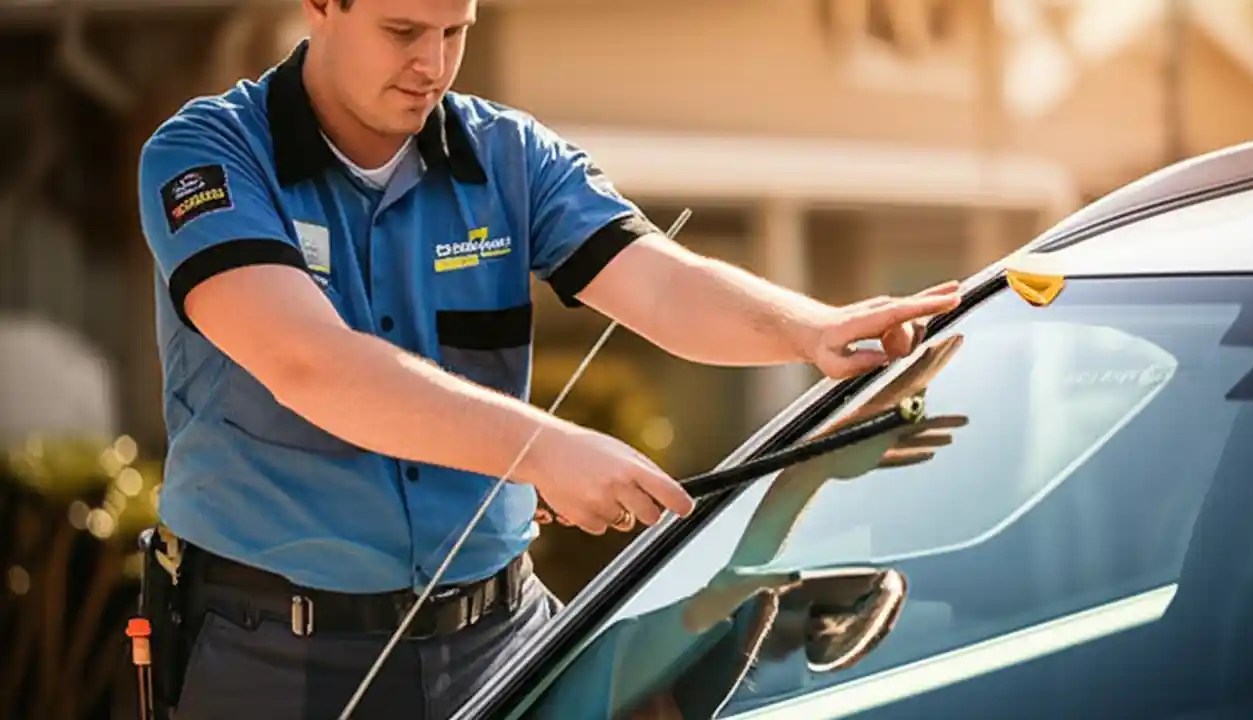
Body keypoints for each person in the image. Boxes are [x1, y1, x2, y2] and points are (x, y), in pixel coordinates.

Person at [134, 0, 962, 717]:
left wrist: (809, 330)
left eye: (456, 31)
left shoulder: (511, 157)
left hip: (503, 637)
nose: (432, 64)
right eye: (402, 30)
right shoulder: (207, 159)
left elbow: (665, 287)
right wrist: (545, 452)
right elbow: (309, 364)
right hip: (273, 661)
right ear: (320, 6)